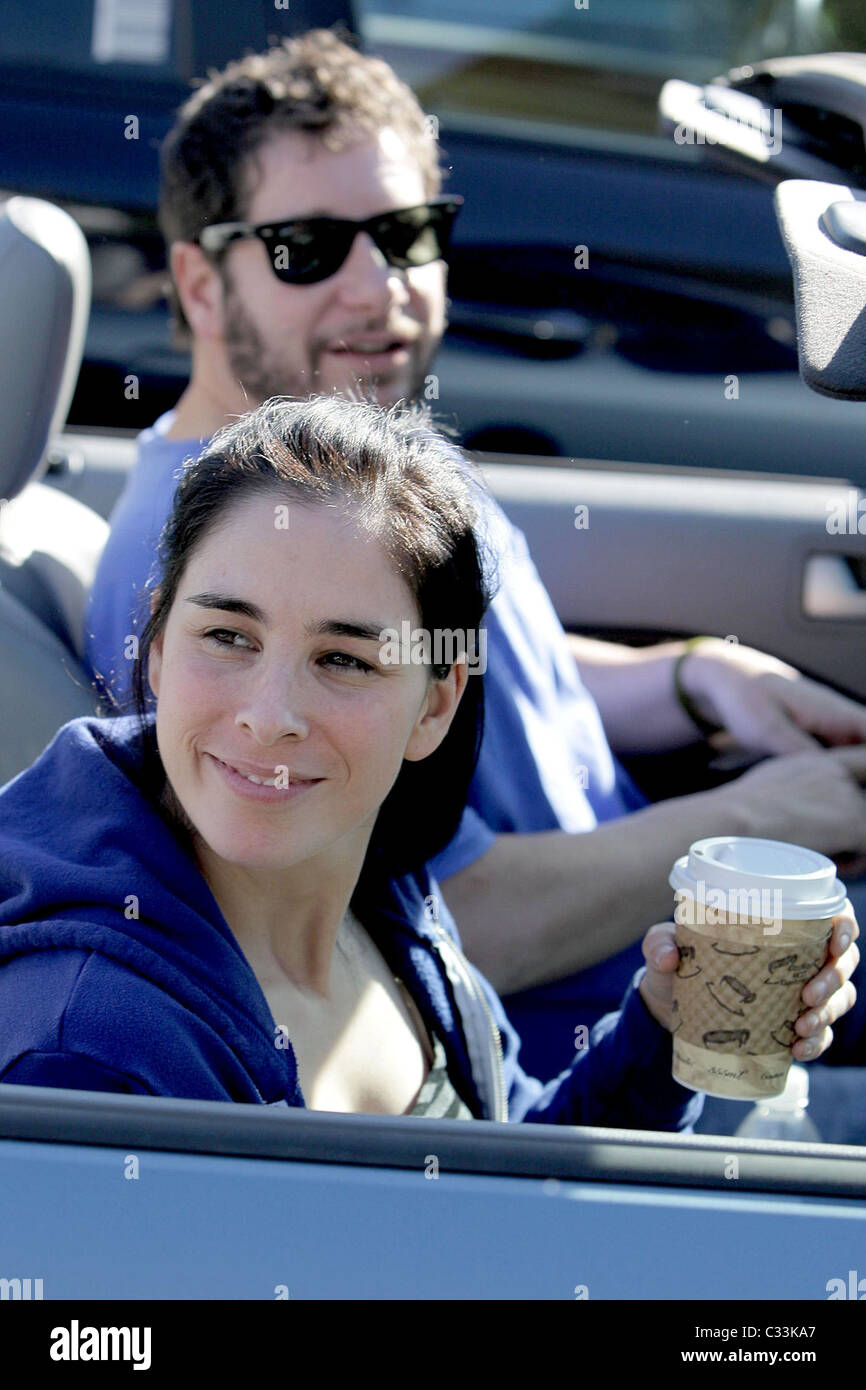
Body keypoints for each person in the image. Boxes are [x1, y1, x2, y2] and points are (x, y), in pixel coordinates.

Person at [84, 29, 866, 1092]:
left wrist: (686, 677)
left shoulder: (357, 463)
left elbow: (451, 662)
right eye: (306, 247)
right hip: (593, 1036)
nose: (379, 288)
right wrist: (756, 816)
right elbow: (458, 926)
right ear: (199, 282)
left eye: (404, 234)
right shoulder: (212, 548)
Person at [15, 396, 855, 1120]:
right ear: (157, 646)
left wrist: (664, 1029)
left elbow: (505, 1169)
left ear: (436, 704)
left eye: (344, 659)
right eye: (228, 637)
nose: (271, 718)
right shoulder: (94, 1052)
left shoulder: (377, 875)